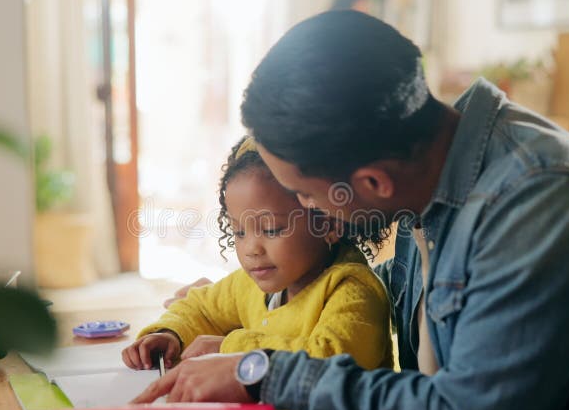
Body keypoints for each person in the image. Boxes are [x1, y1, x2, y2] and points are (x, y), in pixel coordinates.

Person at [132, 10, 569, 410]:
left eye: (305, 194)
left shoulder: (541, 206)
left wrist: (260, 371)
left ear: (371, 182)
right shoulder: (430, 190)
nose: (305, 210)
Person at [122, 136, 394, 374]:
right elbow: (201, 306)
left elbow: (331, 358)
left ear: (328, 221)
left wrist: (233, 349)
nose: (251, 248)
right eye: (239, 232)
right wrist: (170, 334)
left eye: (271, 229)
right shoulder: (251, 284)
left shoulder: (352, 290)